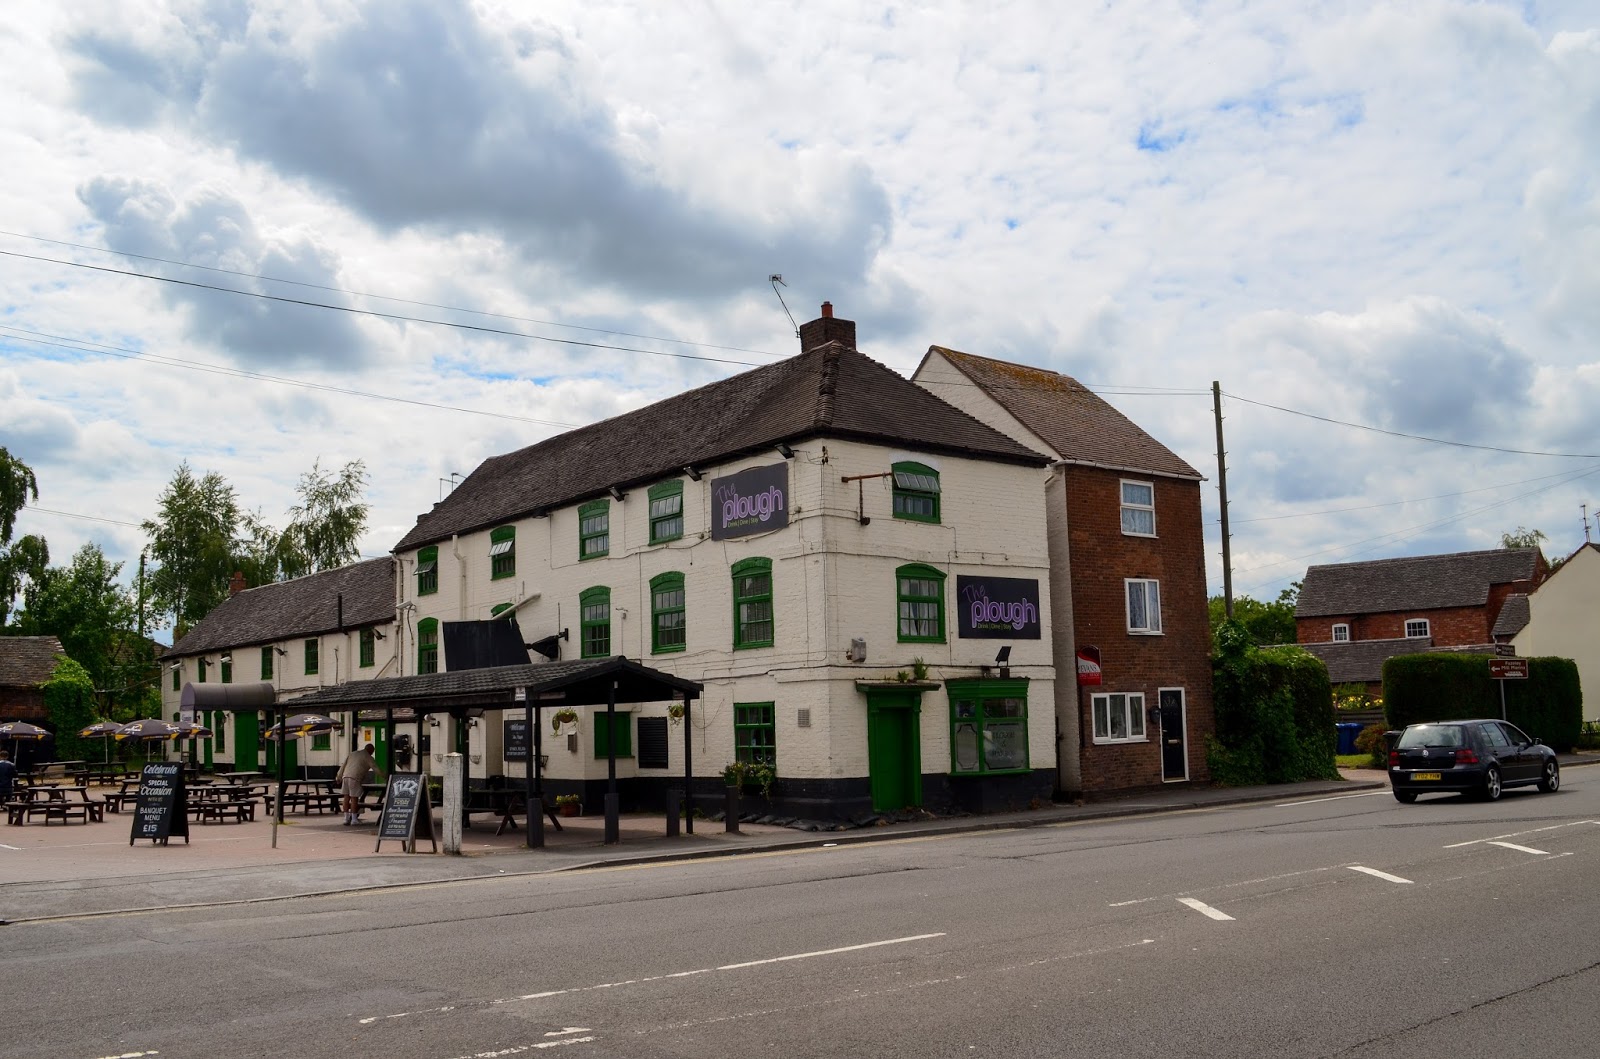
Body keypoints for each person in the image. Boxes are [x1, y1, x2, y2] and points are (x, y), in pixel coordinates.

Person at [334, 743, 379, 825]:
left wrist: (339, 776)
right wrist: (385, 776)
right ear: (371, 751)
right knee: (354, 798)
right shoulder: (368, 757)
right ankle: (354, 819)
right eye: (372, 751)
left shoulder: (352, 754)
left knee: (346, 798)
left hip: (345, 777)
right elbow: (376, 768)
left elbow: (343, 765)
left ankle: (346, 818)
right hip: (355, 778)